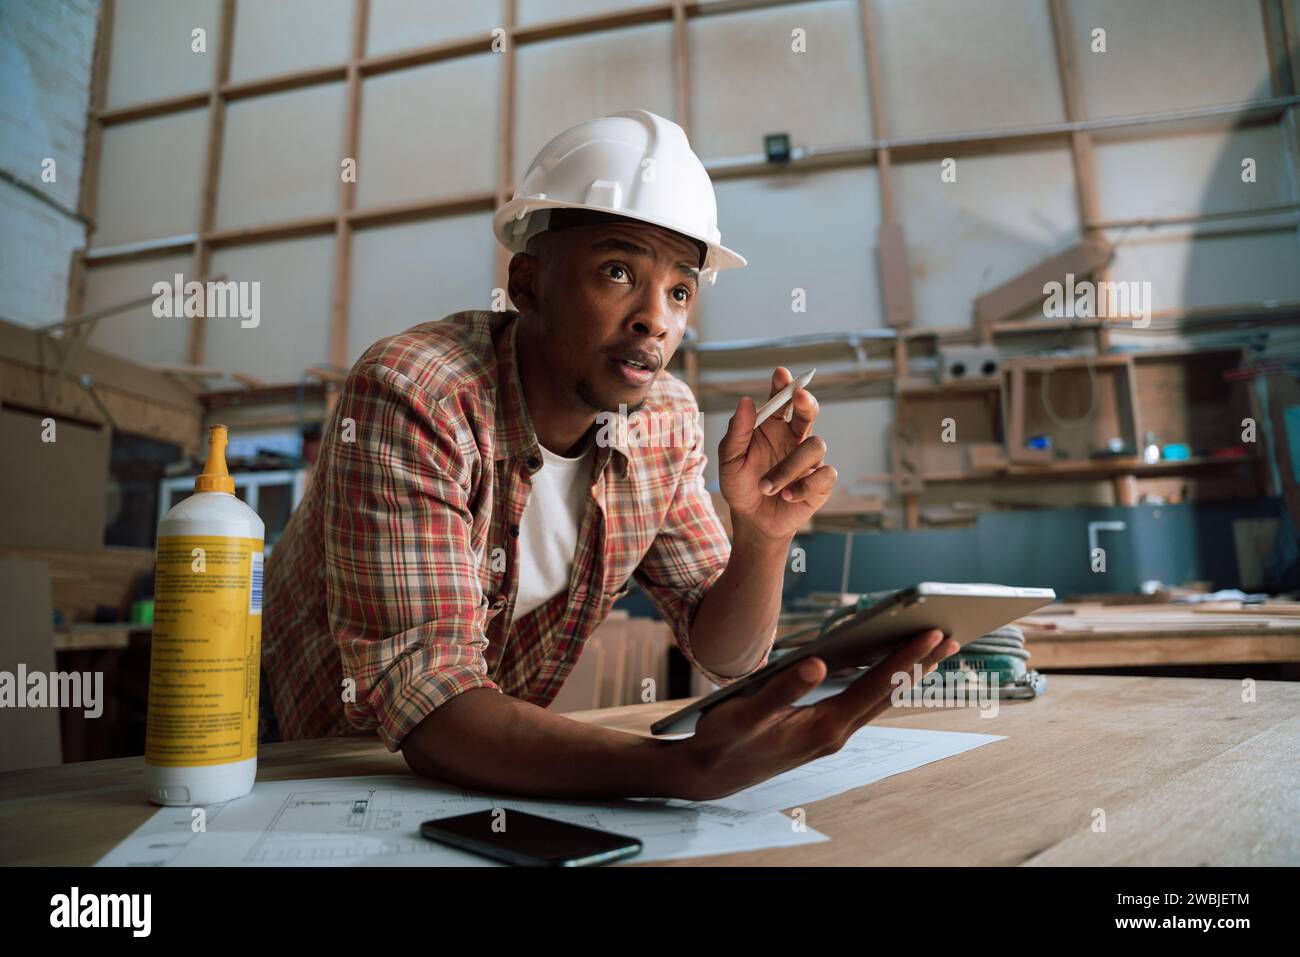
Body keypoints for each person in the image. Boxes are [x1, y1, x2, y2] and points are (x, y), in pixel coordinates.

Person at [262, 109, 957, 801]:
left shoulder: (665, 421)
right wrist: (677, 769)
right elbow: (428, 695)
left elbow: (723, 652)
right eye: (619, 270)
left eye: (680, 289)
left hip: (479, 770)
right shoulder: (417, 394)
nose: (656, 317)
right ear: (528, 283)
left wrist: (762, 538)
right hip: (308, 769)